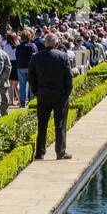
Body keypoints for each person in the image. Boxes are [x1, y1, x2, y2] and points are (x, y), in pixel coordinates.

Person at [27, 33, 73, 161]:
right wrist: (66, 93)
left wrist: (36, 91)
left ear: (45, 43)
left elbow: (31, 77)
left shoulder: (36, 57)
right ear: (55, 43)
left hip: (43, 94)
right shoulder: (62, 56)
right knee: (60, 125)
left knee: (42, 125)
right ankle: (60, 152)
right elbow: (68, 78)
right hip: (59, 95)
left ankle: (40, 153)